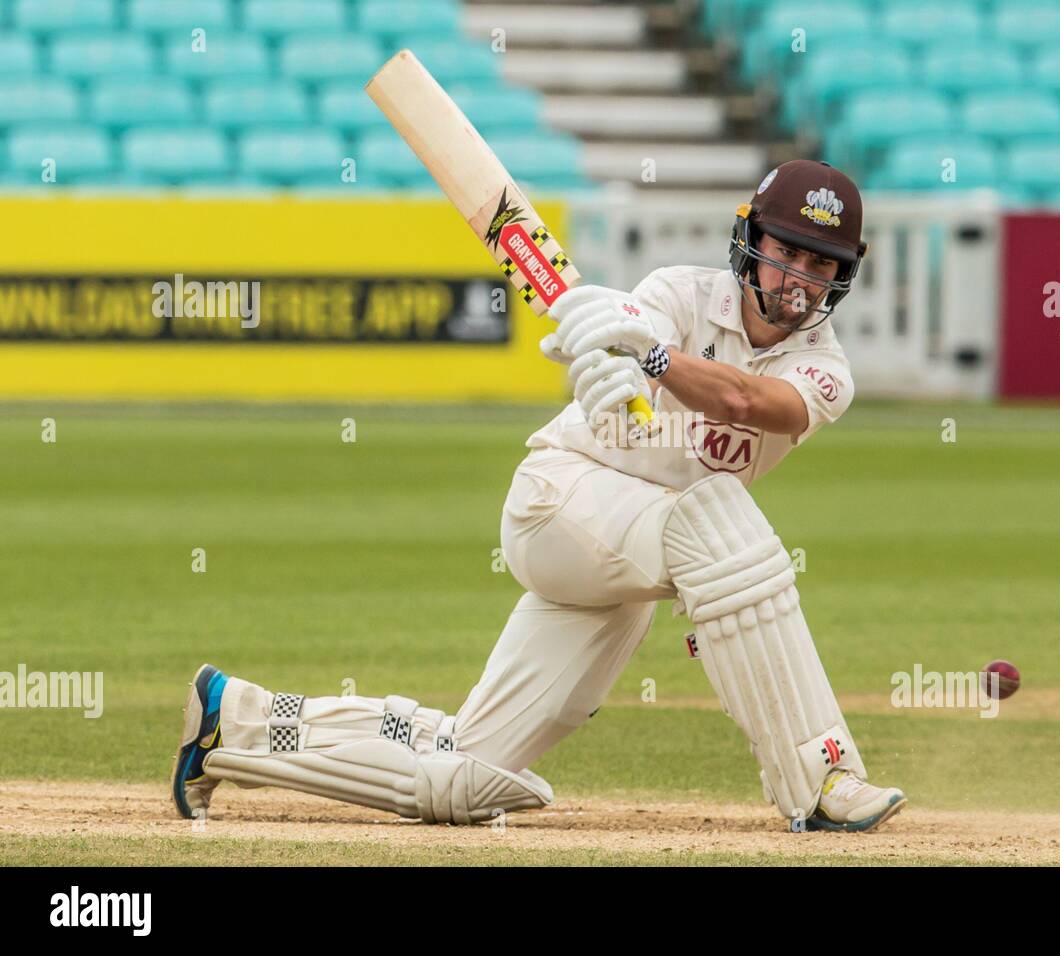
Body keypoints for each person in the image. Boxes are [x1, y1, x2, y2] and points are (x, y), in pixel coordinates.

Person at [172, 159, 906, 833]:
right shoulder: (675, 294)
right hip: (562, 500)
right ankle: (823, 779)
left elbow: (754, 402)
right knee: (717, 517)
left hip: (633, 559)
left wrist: (655, 362)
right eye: (786, 251)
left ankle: (237, 725)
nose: (799, 277)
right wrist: (611, 372)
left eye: (821, 263)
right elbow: (633, 334)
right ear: (749, 241)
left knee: (462, 776)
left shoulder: (825, 366)